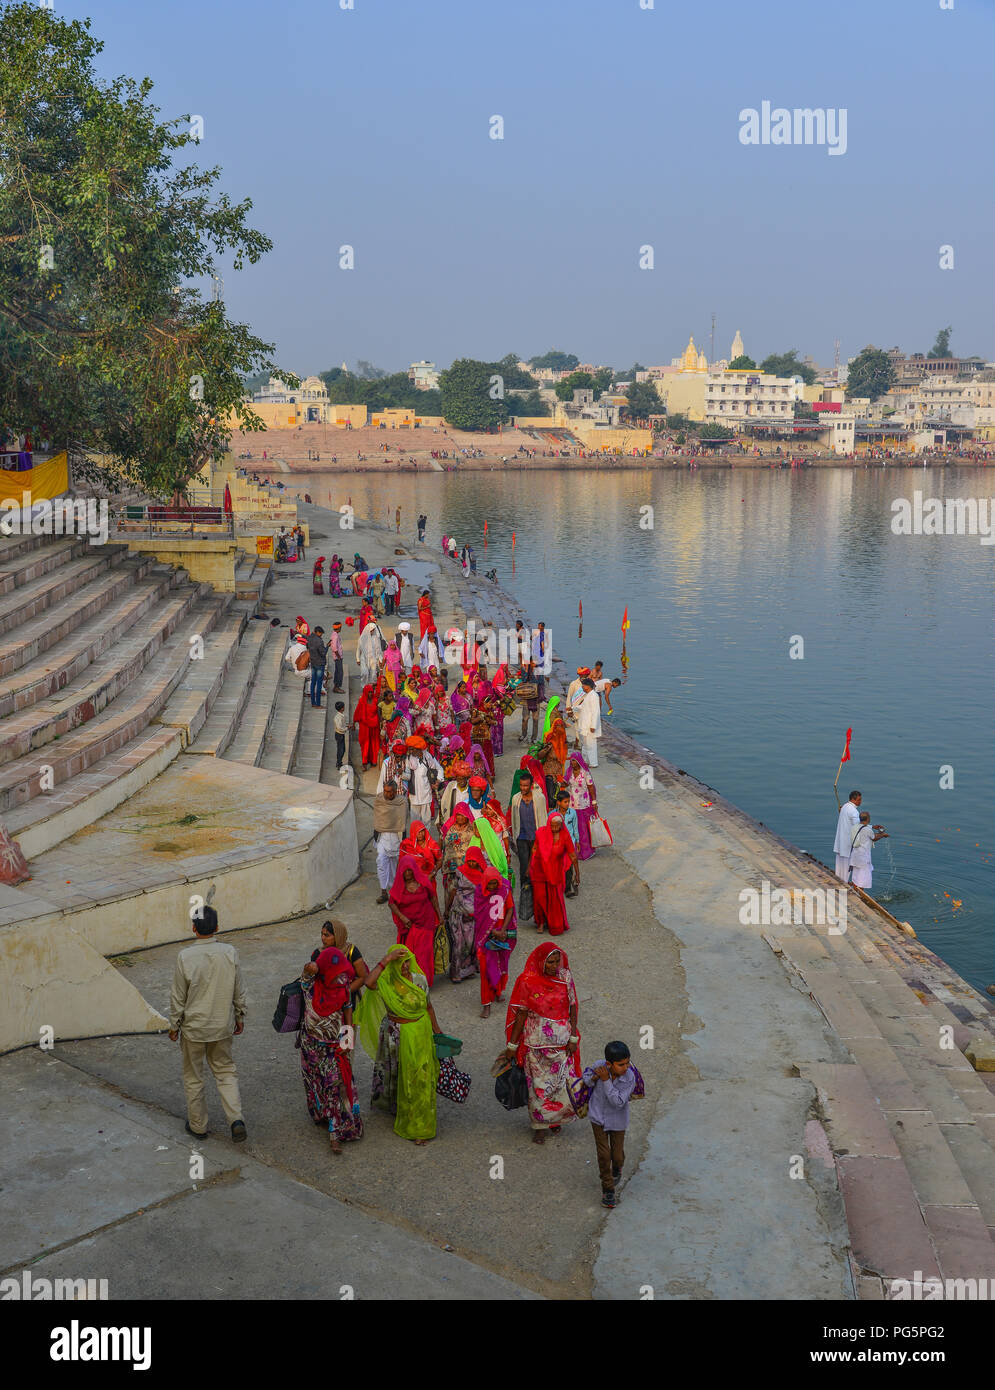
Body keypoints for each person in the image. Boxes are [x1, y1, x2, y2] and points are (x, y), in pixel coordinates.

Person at [168, 906, 247, 1142]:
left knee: (194, 1077)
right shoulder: (230, 952)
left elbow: (177, 996)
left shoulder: (185, 957)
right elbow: (239, 989)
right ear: (217, 928)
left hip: (194, 1028)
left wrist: (174, 1025)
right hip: (222, 1025)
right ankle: (236, 1119)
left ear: (194, 929)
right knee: (225, 1071)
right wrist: (239, 1016)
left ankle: (198, 1126)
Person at [354, 945, 441, 1144]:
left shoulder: (420, 980)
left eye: (407, 960)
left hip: (420, 1034)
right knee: (401, 1076)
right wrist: (386, 959)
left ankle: (421, 1126)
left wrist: (438, 1032)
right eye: (400, 962)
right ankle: (400, 1109)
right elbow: (368, 982)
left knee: (420, 1079)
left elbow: (428, 1006)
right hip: (397, 1036)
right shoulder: (386, 982)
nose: (405, 965)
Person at [503, 943, 581, 1145]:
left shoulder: (565, 977)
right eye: (549, 962)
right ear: (540, 961)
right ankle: (540, 1127)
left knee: (558, 1085)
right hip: (536, 1044)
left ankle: (555, 1120)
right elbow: (521, 1015)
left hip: (562, 1043)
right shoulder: (527, 981)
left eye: (556, 961)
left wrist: (573, 1037)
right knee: (538, 1088)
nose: (553, 966)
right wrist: (512, 1046)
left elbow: (573, 1006)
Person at [298, 946, 362, 1153]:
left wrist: (348, 1036)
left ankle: (335, 1133)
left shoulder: (342, 986)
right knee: (315, 1083)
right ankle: (321, 1115)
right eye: (337, 974)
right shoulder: (311, 985)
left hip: (333, 1048)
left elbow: (347, 1008)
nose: (341, 978)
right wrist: (313, 966)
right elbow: (307, 972)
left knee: (335, 1088)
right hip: (311, 1046)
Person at [582, 1041, 638, 1208]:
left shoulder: (630, 1078)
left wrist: (606, 1081)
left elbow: (618, 1102)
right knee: (604, 1155)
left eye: (627, 1062)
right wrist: (595, 1077)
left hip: (618, 1121)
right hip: (598, 1118)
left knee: (617, 1156)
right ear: (608, 1064)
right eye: (621, 1064)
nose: (625, 1067)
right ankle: (608, 1190)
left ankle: (617, 1168)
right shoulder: (599, 1066)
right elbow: (586, 1080)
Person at [463, 848, 517, 1018]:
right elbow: (480, 915)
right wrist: (492, 931)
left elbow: (509, 909)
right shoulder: (480, 893)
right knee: (486, 969)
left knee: (501, 964)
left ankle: (498, 991)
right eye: (490, 884)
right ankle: (486, 1003)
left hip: (503, 934)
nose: (493, 887)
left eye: (495, 883)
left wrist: (502, 930)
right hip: (486, 938)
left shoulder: (504, 889)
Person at [388, 857, 442, 988]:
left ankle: (423, 982)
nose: (407, 874)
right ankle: (409, 980)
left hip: (425, 922)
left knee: (424, 953)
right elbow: (392, 903)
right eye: (405, 872)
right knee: (409, 954)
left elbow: (433, 897)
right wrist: (402, 917)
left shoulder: (423, 882)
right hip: (409, 926)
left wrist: (439, 916)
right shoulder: (399, 885)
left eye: (410, 871)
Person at [529, 812, 576, 936]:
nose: (555, 828)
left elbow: (572, 855)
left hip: (555, 871)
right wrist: (530, 865)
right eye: (553, 825)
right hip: (539, 869)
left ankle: (553, 924)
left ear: (561, 825)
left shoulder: (565, 836)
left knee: (554, 899)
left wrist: (577, 873)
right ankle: (540, 922)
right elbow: (534, 848)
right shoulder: (540, 833)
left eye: (557, 826)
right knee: (540, 897)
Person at [510, 770, 547, 920]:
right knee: (524, 869)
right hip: (522, 838)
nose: (523, 788)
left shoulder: (539, 798)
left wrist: (542, 840)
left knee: (537, 869)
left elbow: (543, 819)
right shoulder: (516, 799)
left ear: (531, 785)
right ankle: (526, 902)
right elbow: (514, 819)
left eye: (526, 785)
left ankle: (538, 903)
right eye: (521, 785)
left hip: (536, 838)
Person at [373, 782, 406, 904]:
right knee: (381, 862)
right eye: (385, 791)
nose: (387, 794)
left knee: (394, 866)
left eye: (390, 791)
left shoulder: (401, 802)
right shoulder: (379, 800)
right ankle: (383, 891)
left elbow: (402, 819)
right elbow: (378, 817)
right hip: (382, 836)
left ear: (395, 791)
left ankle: (393, 890)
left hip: (397, 836)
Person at [564, 753, 598, 860]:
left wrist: (594, 802)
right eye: (571, 760)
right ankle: (574, 850)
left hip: (584, 805)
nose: (573, 763)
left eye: (574, 760)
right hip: (572, 804)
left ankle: (586, 851)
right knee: (574, 828)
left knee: (583, 829)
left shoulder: (585, 773)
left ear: (579, 761)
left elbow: (591, 787)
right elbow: (565, 784)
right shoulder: (569, 772)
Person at [405, 735, 443, 829]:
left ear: (418, 749)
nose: (410, 751)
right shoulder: (408, 759)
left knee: (426, 824)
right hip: (414, 797)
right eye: (409, 749)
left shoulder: (428, 757)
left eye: (412, 749)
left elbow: (440, 769)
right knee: (414, 824)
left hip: (426, 796)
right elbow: (406, 776)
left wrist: (438, 781)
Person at [849, 811, 888, 890]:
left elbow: (866, 832)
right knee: (862, 879)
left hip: (855, 856)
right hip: (863, 858)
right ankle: (860, 895)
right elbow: (874, 838)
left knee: (856, 876)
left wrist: (874, 828)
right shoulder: (867, 830)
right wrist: (883, 835)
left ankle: (855, 891)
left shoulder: (854, 827)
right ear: (868, 819)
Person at [554, 788, 581, 897]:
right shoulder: (553, 815)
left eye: (568, 801)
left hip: (570, 843)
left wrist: (577, 841)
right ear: (559, 803)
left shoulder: (572, 813)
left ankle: (568, 889)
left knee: (569, 866)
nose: (567, 804)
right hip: (558, 844)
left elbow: (575, 828)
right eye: (565, 802)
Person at [833, 791, 862, 882]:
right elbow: (857, 828)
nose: (860, 802)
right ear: (853, 799)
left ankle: (837, 882)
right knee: (846, 868)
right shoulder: (854, 811)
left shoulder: (844, 807)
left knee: (839, 866)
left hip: (840, 842)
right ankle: (844, 885)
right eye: (859, 800)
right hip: (847, 844)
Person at [352, 684, 381, 770]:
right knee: (365, 745)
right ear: (365, 692)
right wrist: (354, 723)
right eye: (369, 692)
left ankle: (373, 760)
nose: (371, 694)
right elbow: (357, 713)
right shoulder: (362, 701)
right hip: (365, 728)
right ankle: (364, 763)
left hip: (374, 727)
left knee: (374, 744)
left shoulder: (376, 700)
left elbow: (378, 713)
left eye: (372, 692)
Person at [576, 677, 602, 767]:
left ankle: (593, 763)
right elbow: (582, 706)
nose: (582, 688)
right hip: (584, 723)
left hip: (590, 725)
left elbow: (596, 712)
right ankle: (585, 760)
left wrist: (593, 726)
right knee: (585, 744)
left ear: (587, 686)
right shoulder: (588, 695)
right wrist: (572, 709)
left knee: (591, 745)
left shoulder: (594, 696)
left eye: (583, 686)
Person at [329, 622, 344, 692]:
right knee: (340, 672)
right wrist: (338, 656)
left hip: (337, 657)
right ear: (339, 628)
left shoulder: (334, 634)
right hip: (338, 657)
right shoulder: (336, 636)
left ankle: (336, 686)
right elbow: (334, 648)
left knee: (337, 671)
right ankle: (337, 687)